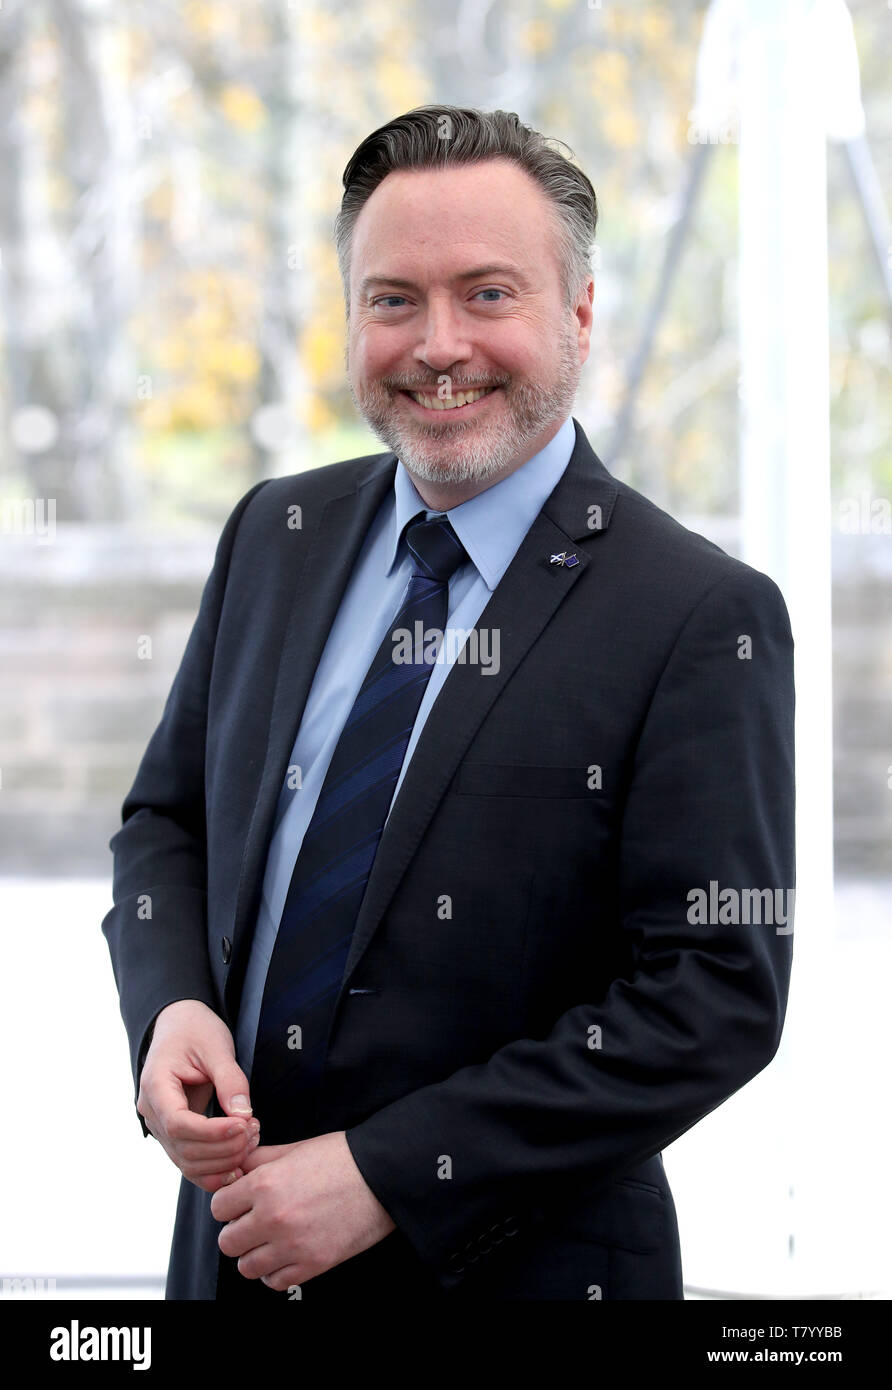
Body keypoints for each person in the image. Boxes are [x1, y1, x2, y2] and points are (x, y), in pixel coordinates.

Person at [102, 105, 795, 1302]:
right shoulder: (279, 532)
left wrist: (386, 1173)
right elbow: (167, 826)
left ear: (577, 316)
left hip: (516, 1272)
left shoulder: (697, 613)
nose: (436, 344)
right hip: (230, 1258)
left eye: (486, 294)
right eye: (392, 299)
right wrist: (169, 1008)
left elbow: (712, 995)